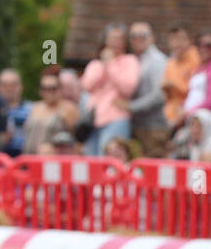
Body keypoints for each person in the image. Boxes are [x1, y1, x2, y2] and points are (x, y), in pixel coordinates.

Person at [81, 23, 140, 156]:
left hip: (116, 118)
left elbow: (128, 88)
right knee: (91, 163)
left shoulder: (130, 61)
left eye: (119, 39)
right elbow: (87, 85)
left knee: (109, 161)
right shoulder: (96, 63)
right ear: (105, 40)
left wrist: (111, 64)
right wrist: (103, 64)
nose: (115, 42)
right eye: (112, 38)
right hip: (93, 120)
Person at [127, 21, 170, 158]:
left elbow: (159, 95)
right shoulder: (138, 59)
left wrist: (130, 107)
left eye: (143, 35)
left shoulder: (156, 60)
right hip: (141, 126)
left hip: (154, 128)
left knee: (154, 169)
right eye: (134, 35)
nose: (138, 39)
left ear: (152, 37)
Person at [21, 67, 78, 155]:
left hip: (53, 163)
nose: (49, 92)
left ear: (60, 89)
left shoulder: (68, 108)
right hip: (28, 161)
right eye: (45, 88)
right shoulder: (35, 107)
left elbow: (78, 141)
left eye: (53, 88)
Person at [183, 31, 211, 133]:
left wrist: (188, 113)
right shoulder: (199, 67)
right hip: (193, 122)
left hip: (208, 124)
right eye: (199, 44)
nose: (203, 49)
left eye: (208, 46)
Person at [161, 24, 200, 130]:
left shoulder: (196, 59)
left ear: (190, 40)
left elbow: (197, 90)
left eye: (180, 39)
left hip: (190, 118)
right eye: (173, 40)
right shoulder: (171, 62)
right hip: (171, 118)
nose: (176, 44)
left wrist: (173, 86)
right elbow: (165, 94)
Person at [0, 68, 31, 156]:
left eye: (13, 85)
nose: (9, 88)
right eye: (5, 85)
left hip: (25, 161)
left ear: (21, 86)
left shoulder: (33, 109)